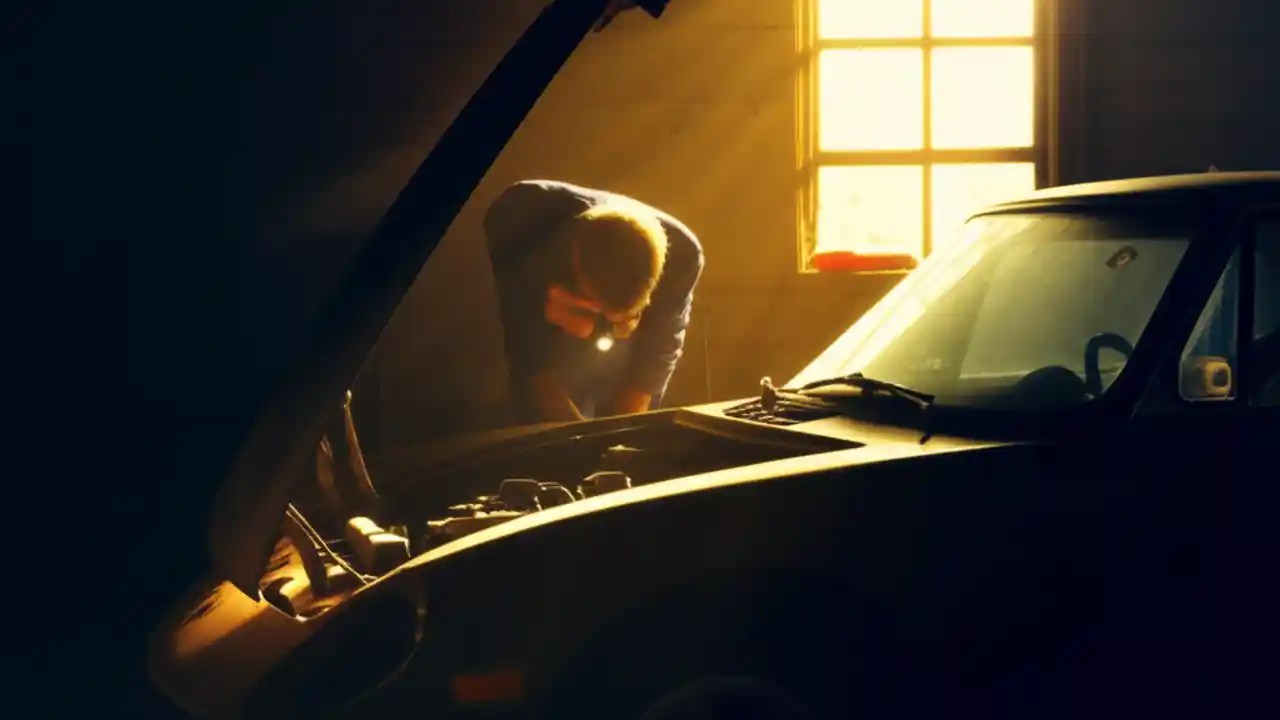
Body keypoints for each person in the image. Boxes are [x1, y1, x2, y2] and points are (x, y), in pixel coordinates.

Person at [485, 179, 703, 424]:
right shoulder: (525, 226)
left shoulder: (682, 256)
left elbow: (656, 357)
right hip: (539, 294)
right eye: (596, 309)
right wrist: (571, 435)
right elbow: (526, 356)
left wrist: (621, 436)